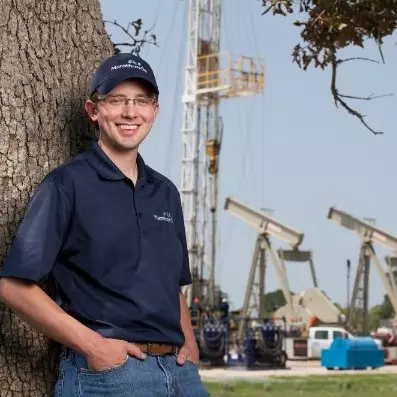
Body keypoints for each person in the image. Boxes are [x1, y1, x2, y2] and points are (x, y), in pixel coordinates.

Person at [0, 53, 209, 397]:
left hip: (180, 374)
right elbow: (13, 286)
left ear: (154, 111)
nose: (130, 112)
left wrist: (189, 344)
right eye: (116, 100)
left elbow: (173, 286)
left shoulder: (166, 193)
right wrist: (95, 346)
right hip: (111, 376)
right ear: (93, 110)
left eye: (141, 101)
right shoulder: (66, 184)